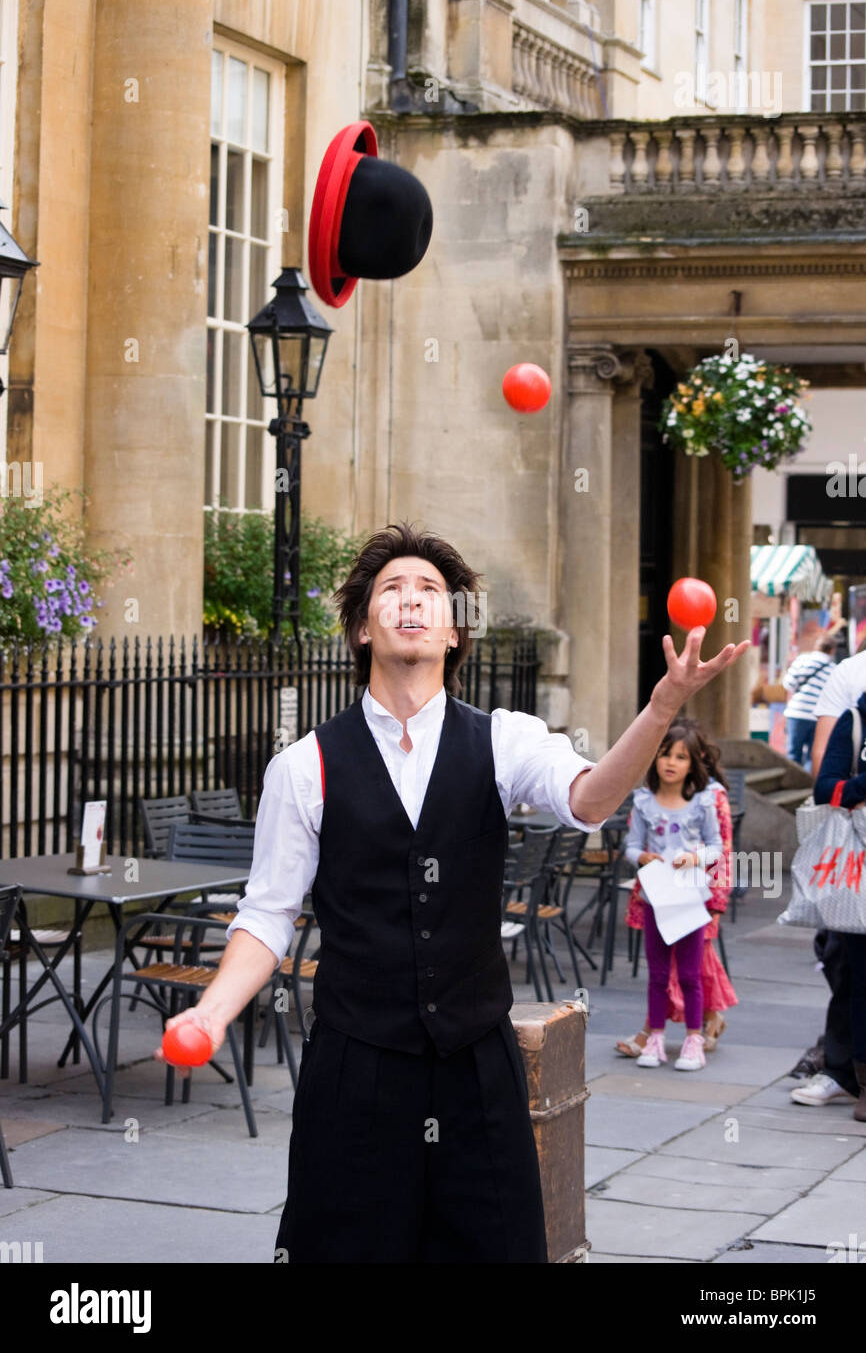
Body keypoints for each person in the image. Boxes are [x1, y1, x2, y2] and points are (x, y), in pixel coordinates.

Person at [156, 522, 748, 1262]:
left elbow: (591, 801)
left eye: (430, 592)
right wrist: (212, 1012)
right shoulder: (304, 767)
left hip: (475, 1068)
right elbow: (269, 913)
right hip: (356, 1068)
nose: (411, 601)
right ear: (364, 628)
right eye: (391, 590)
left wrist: (660, 710)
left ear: (454, 633)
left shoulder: (503, 740)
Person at [615, 718, 737, 1057]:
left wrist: (715, 894)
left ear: (696, 758)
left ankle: (694, 1032)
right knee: (665, 968)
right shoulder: (646, 801)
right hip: (658, 894)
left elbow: (722, 848)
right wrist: (642, 858)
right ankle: (662, 1032)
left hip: (697, 894)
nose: (671, 762)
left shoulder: (709, 798)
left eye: (682, 756)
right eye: (665, 754)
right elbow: (633, 845)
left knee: (693, 968)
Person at [791, 695, 866, 1122]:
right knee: (859, 982)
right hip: (859, 879)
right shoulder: (855, 720)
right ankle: (857, 1079)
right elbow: (827, 790)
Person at [780, 634, 837, 768]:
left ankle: (794, 785)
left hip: (797, 713)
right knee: (814, 755)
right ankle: (810, 785)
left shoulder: (802, 660)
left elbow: (788, 684)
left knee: (793, 753)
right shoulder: (833, 668)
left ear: (816, 646)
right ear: (832, 650)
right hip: (818, 716)